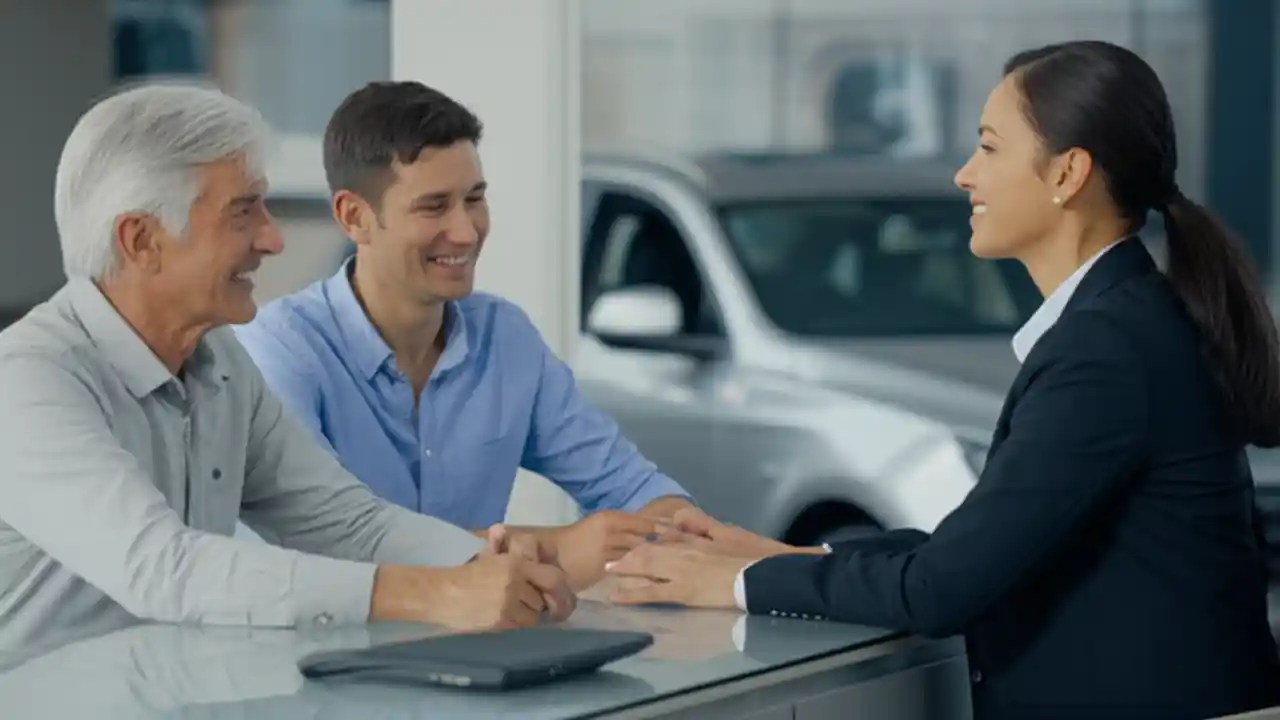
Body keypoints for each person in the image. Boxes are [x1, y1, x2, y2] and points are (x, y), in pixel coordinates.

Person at [604, 40, 1280, 719]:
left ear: (1067, 173)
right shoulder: (1126, 321)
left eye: (988, 148)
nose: (964, 174)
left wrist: (741, 582)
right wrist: (784, 553)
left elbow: (941, 589)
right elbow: (983, 548)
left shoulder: (1106, 349)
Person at [0, 82, 574, 649]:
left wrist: (486, 564)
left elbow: (347, 523)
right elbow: (165, 569)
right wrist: (434, 593)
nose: (272, 240)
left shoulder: (218, 360)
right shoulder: (27, 380)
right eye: (243, 213)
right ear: (141, 239)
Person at [234, 81, 694, 590]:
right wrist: (555, 550)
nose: (467, 231)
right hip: (314, 659)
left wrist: (686, 530)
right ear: (354, 217)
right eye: (434, 207)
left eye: (474, 199)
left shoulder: (505, 337)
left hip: (476, 652)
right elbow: (324, 546)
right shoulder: (280, 351)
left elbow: (630, 487)